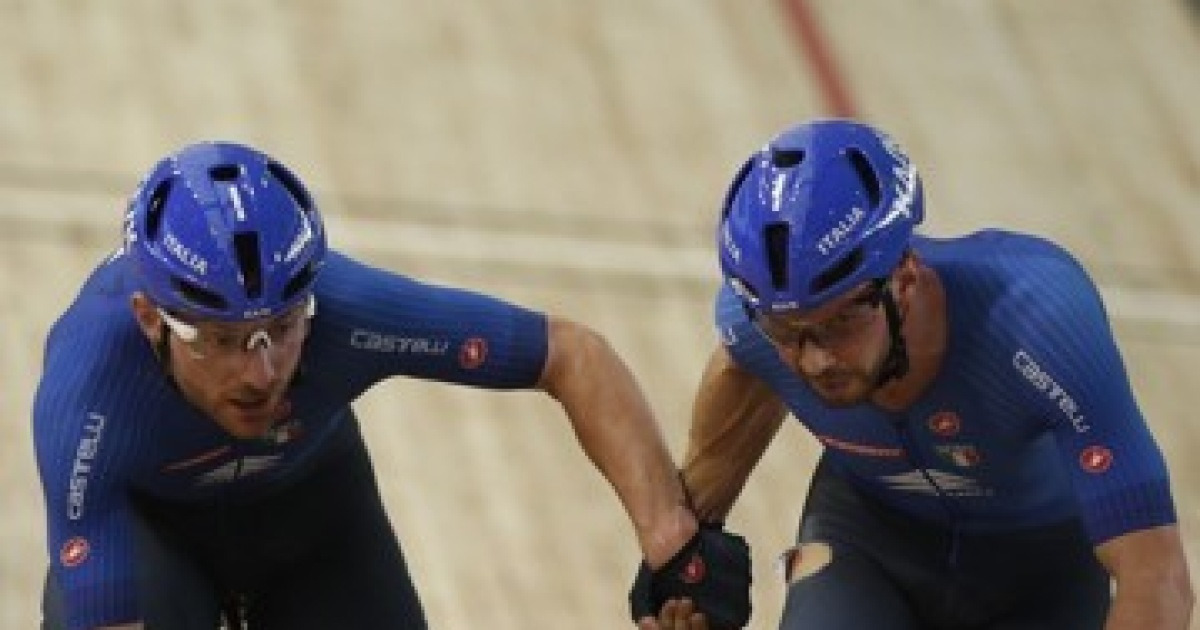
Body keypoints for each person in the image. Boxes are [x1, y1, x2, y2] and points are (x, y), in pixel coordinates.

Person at [33, 141, 751, 629]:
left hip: (310, 519)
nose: (262, 370)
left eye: (283, 328)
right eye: (223, 341)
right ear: (151, 320)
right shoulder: (87, 395)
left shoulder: (347, 311)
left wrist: (670, 538)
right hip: (153, 540)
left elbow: (571, 354)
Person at [638, 119, 1194, 629]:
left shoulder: (1038, 322)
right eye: (787, 333)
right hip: (868, 543)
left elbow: (1157, 579)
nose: (814, 360)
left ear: (904, 275)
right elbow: (734, 401)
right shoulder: (752, 329)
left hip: (1044, 576)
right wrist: (681, 565)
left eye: (839, 322)